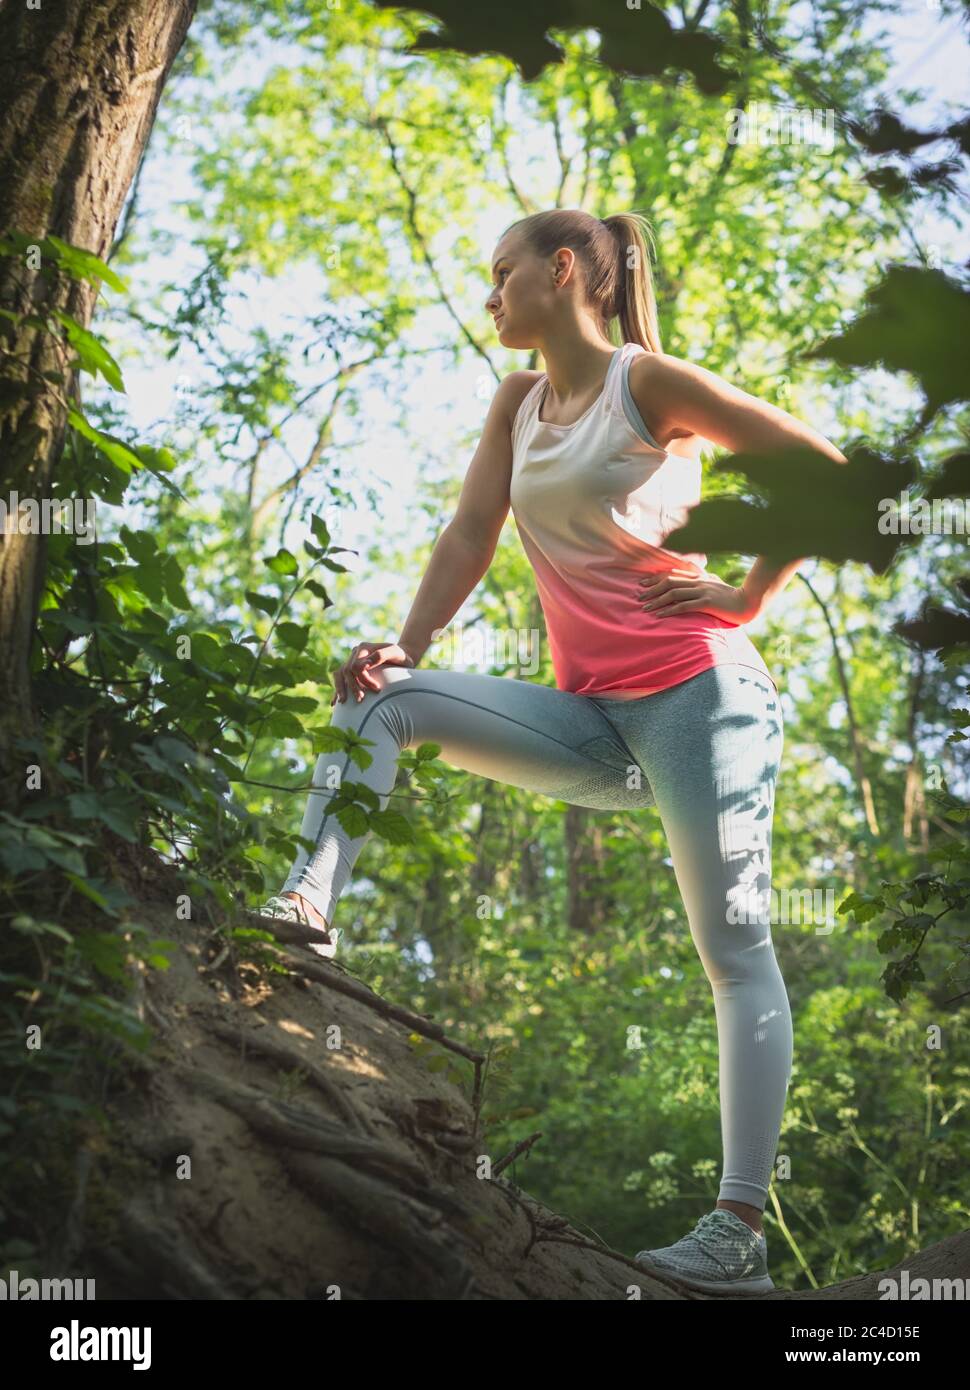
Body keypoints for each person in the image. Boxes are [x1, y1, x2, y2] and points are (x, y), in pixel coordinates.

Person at [259, 207, 847, 1294]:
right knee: (387, 699)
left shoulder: (648, 382)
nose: (488, 296)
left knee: (734, 951)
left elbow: (825, 468)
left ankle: (736, 1236)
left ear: (562, 269)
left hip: (701, 697)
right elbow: (471, 532)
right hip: (595, 719)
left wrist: (751, 593)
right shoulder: (518, 400)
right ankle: (304, 907)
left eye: (500, 275)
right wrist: (410, 642)